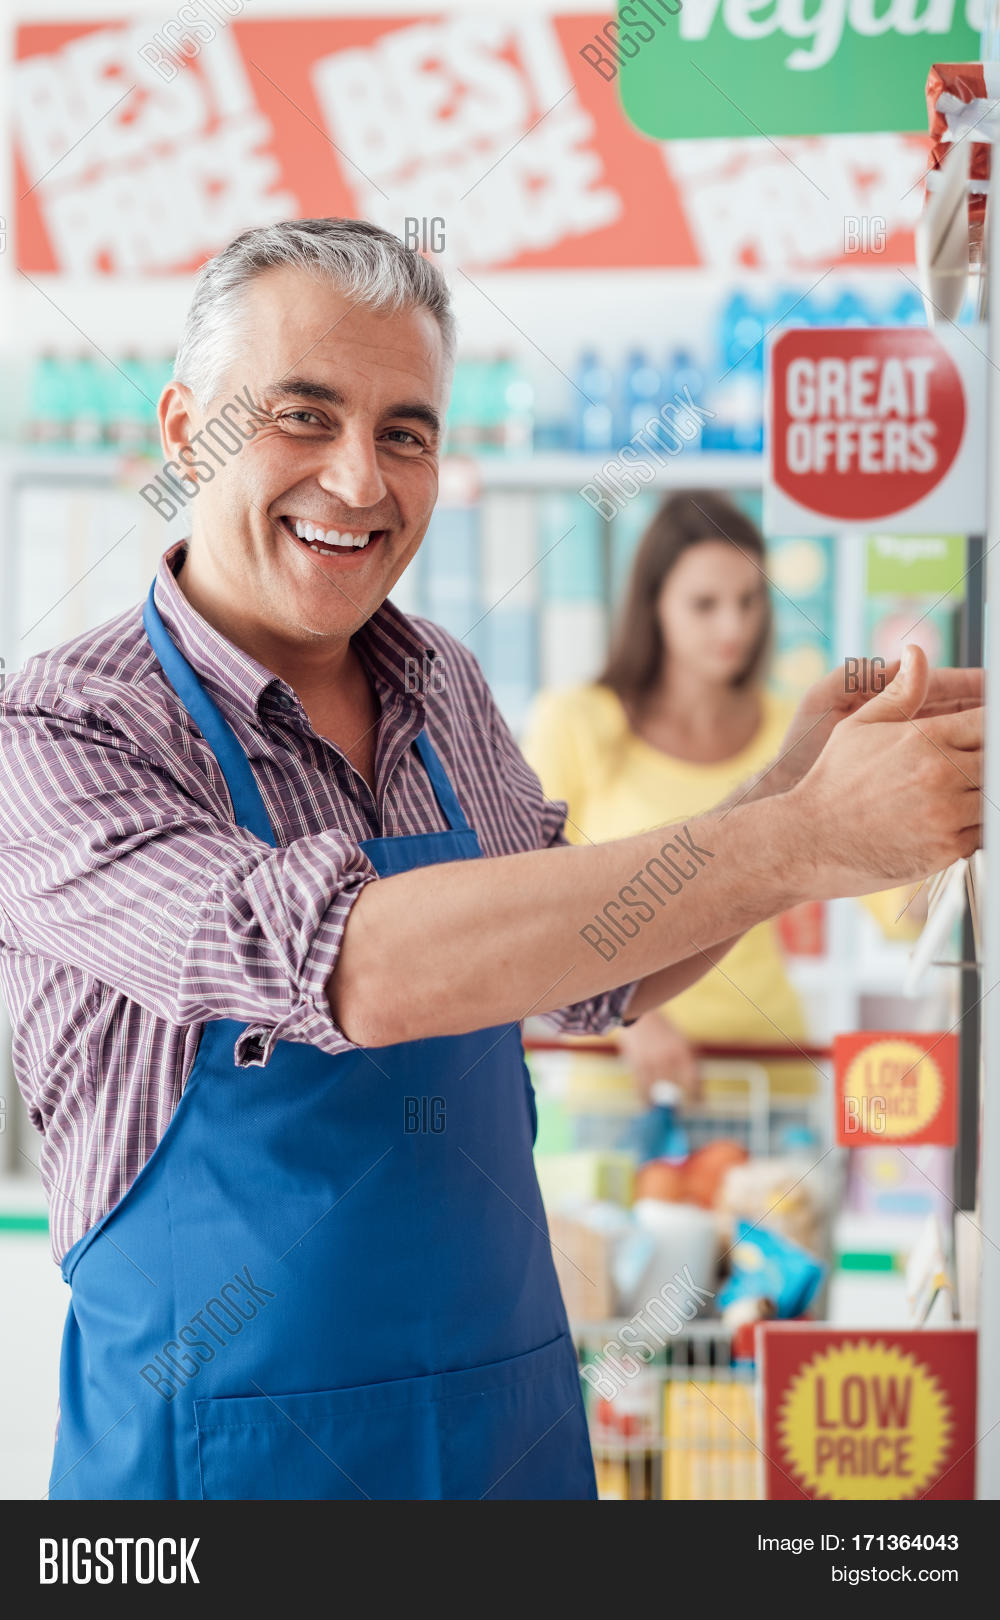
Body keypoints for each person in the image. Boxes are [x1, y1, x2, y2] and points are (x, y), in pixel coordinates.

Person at [0, 219, 981, 1503]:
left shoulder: (438, 681)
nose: (359, 481)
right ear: (187, 431)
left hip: (505, 1443)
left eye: (406, 431)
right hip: (219, 1478)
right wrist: (798, 836)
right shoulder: (61, 732)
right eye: (302, 415)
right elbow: (348, 966)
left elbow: (594, 980)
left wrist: (789, 782)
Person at [522, 491, 913, 1104]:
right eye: (704, 604)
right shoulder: (575, 724)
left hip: (763, 1067)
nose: (733, 626)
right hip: (619, 1083)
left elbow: (897, 899)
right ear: (654, 606)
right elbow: (526, 910)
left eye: (749, 601)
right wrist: (633, 1018)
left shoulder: (798, 727)